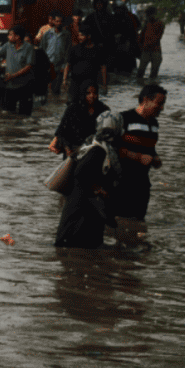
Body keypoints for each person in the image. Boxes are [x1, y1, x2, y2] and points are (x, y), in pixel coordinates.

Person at [54, 111, 123, 249]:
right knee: (80, 251)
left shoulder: (93, 146)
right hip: (81, 214)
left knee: (86, 251)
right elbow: (80, 173)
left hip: (83, 211)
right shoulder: (99, 151)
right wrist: (98, 189)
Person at [115, 84, 167, 222]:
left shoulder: (154, 124)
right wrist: (138, 157)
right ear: (146, 100)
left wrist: (155, 157)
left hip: (142, 183)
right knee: (118, 221)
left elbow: (149, 147)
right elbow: (112, 148)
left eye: (163, 104)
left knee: (138, 222)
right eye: (159, 103)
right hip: (121, 182)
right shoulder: (124, 118)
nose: (162, 108)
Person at [49, 80, 110, 156]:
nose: (92, 96)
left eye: (95, 93)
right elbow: (63, 127)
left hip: (96, 145)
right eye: (88, 93)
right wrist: (55, 140)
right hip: (74, 146)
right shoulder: (73, 108)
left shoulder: (103, 109)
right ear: (83, 94)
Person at [62, 22, 108, 102]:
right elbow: (68, 65)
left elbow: (103, 67)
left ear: (89, 36)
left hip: (90, 85)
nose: (79, 37)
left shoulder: (97, 50)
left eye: (82, 35)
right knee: (73, 104)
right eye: (79, 35)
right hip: (75, 83)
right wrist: (64, 80)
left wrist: (104, 84)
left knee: (90, 104)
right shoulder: (74, 49)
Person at [0, 25, 35, 116]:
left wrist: (14, 75)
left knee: (24, 113)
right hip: (10, 85)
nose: (8, 37)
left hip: (25, 85)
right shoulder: (7, 45)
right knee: (8, 112)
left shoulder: (29, 48)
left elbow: (29, 66)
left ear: (17, 37)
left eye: (11, 35)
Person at [40, 10, 69, 96]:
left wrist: (64, 66)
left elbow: (67, 51)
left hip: (59, 66)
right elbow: (42, 50)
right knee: (45, 90)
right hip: (48, 65)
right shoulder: (47, 34)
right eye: (57, 21)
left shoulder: (66, 35)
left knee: (56, 91)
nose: (59, 23)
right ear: (53, 21)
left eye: (60, 21)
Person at [111, 0, 139, 73]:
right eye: (117, 9)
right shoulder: (113, 18)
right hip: (118, 46)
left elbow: (136, 28)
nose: (118, 11)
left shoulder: (131, 17)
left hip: (128, 44)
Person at [136, 5, 165, 80]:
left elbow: (158, 37)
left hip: (154, 51)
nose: (148, 17)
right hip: (148, 51)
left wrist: (145, 45)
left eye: (148, 15)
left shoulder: (159, 24)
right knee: (141, 73)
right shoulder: (147, 24)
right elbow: (141, 36)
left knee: (152, 74)